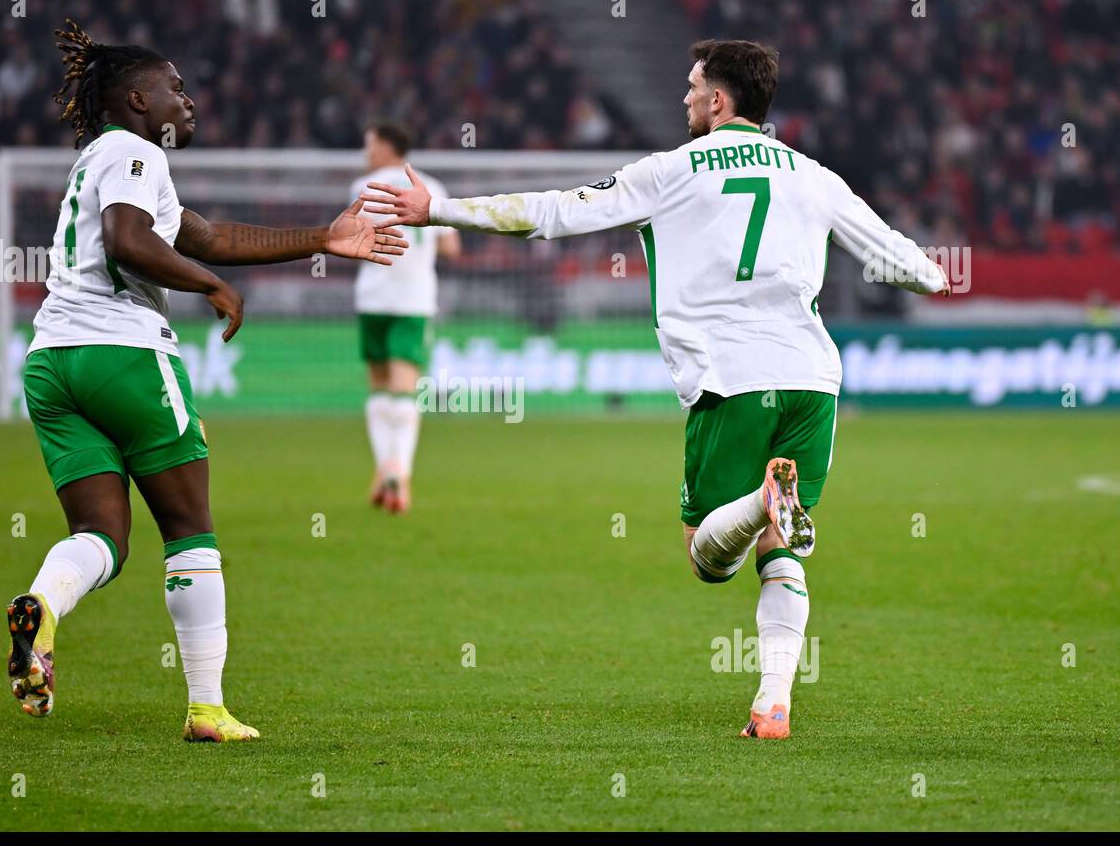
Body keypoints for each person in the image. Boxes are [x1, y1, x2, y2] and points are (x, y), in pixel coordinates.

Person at [360, 39, 949, 739]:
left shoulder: (671, 171)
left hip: (731, 380)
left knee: (706, 553)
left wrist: (443, 210)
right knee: (782, 555)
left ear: (719, 101)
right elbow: (912, 268)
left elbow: (553, 212)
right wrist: (937, 274)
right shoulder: (814, 176)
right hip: (813, 380)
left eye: (693, 87)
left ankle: (764, 500)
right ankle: (773, 702)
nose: (685, 98)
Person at [8, 20, 407, 742]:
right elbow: (134, 246)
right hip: (122, 353)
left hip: (51, 361)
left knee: (102, 536)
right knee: (189, 529)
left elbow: (207, 235)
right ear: (136, 97)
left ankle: (42, 606)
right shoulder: (133, 152)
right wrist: (212, 289)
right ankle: (206, 709)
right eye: (175, 88)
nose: (187, 101)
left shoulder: (101, 158)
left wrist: (323, 236)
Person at [350, 121, 460, 513]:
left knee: (379, 387)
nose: (366, 152)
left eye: (369, 144)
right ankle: (401, 471)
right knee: (404, 388)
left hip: (373, 297)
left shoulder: (364, 187)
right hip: (414, 299)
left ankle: (383, 469)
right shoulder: (432, 186)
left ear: (384, 146)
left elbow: (347, 236)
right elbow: (451, 246)